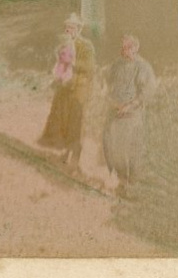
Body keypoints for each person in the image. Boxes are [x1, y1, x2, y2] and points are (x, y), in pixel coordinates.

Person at [38, 14, 96, 170]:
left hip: (79, 89)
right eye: (67, 27)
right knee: (62, 119)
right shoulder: (64, 45)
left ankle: (75, 159)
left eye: (71, 27)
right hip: (65, 87)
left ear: (78, 29)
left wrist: (73, 62)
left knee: (76, 122)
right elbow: (59, 63)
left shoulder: (86, 46)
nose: (68, 30)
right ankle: (64, 154)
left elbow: (90, 67)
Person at [102, 34, 156, 192]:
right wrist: (107, 96)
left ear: (135, 48)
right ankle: (120, 180)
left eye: (127, 47)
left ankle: (132, 182)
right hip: (115, 110)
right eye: (123, 47)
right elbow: (106, 79)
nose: (124, 50)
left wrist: (130, 106)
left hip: (132, 114)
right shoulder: (117, 64)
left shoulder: (142, 67)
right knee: (111, 143)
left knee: (130, 148)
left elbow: (146, 92)